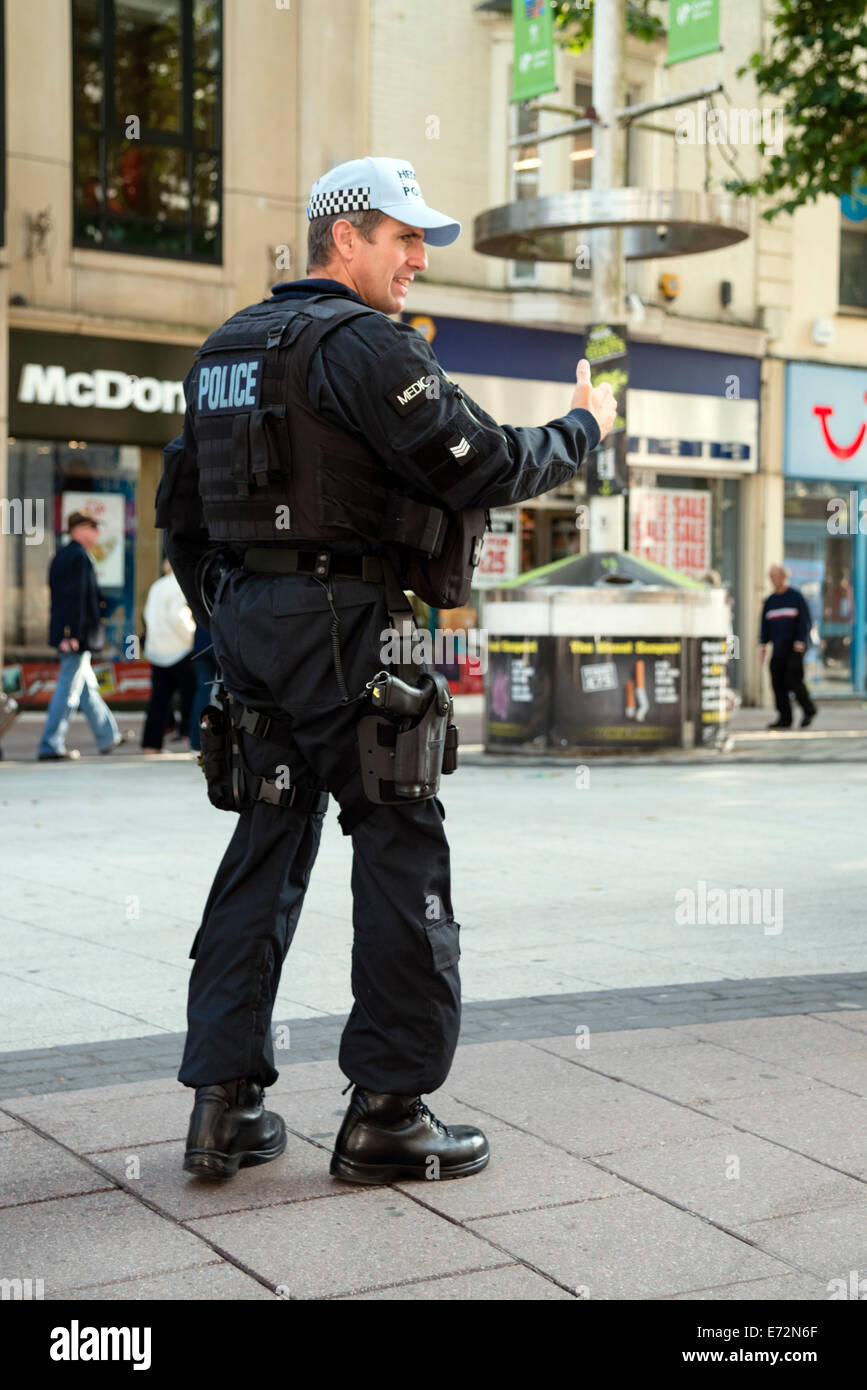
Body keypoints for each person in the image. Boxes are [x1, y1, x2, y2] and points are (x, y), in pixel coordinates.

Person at [157, 154, 616, 1185]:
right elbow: (480, 459)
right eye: (402, 236)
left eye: (422, 239)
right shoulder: (360, 343)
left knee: (265, 841)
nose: (417, 257)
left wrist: (230, 620)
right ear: (342, 238)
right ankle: (389, 1111)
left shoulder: (222, 350)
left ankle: (221, 1107)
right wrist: (582, 431)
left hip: (253, 627)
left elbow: (181, 520)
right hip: (354, 625)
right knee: (401, 840)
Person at [37, 510, 124, 761]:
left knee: (86, 688)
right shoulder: (77, 557)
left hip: (72, 634)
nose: (97, 533)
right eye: (92, 527)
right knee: (68, 689)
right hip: (74, 637)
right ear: (78, 529)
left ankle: (107, 735)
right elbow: (71, 600)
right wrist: (70, 633)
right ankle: (50, 744)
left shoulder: (66, 555)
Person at [140, 561, 197, 753]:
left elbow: (147, 616)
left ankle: (151, 744)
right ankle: (192, 738)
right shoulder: (180, 584)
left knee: (159, 700)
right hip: (179, 650)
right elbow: (177, 616)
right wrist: (192, 638)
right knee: (191, 696)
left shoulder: (158, 585)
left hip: (157, 651)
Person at [759, 563, 818, 729]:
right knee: (777, 683)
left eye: (775, 576)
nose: (772, 579)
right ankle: (785, 718)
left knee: (794, 680)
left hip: (794, 648)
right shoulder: (770, 601)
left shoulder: (796, 597)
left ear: (784, 577)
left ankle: (809, 709)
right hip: (778, 648)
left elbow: (805, 622)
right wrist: (763, 645)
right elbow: (764, 625)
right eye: (770, 576)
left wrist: (801, 642)